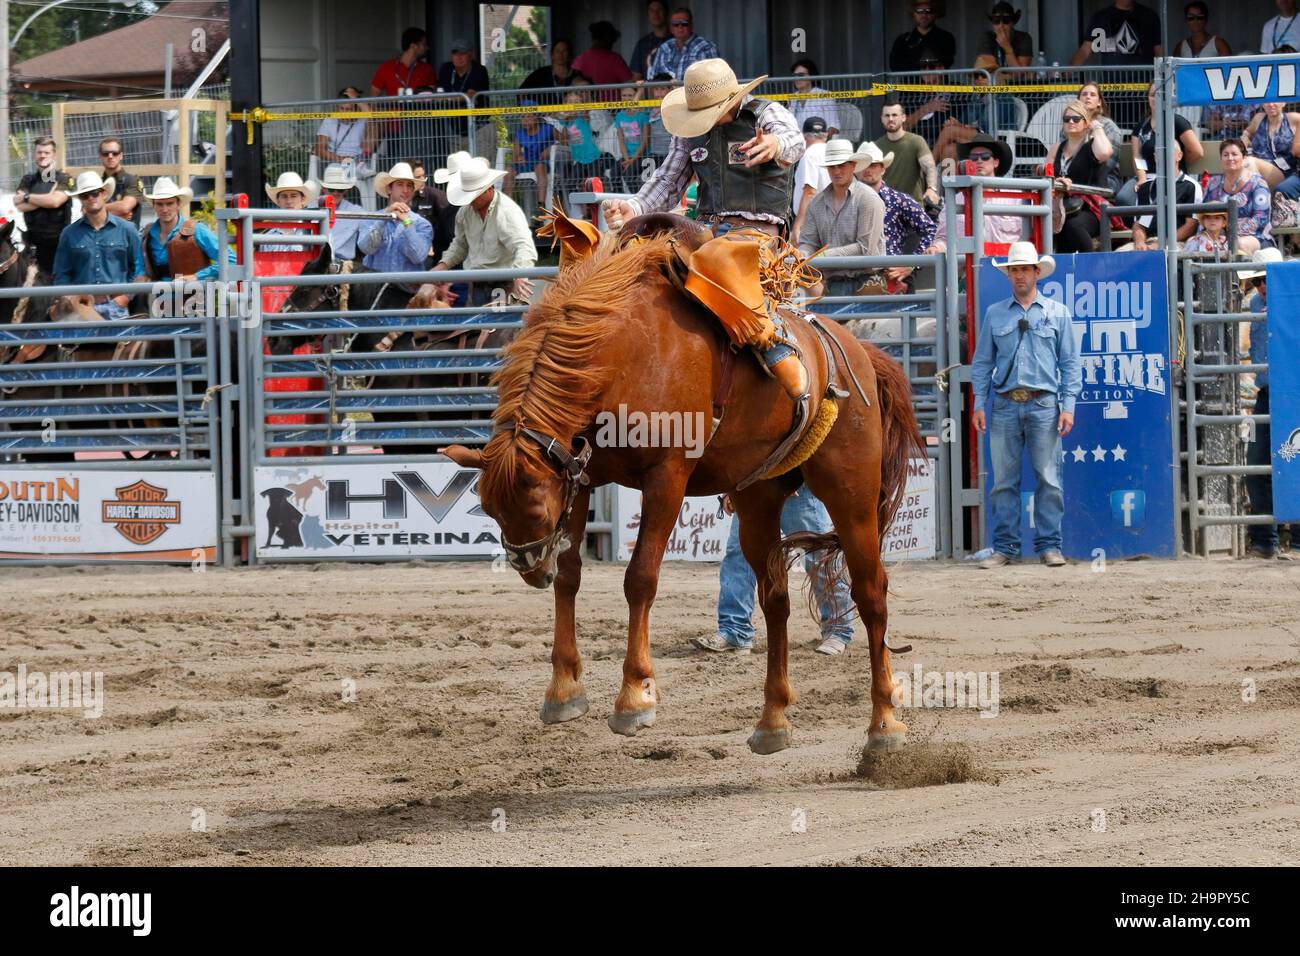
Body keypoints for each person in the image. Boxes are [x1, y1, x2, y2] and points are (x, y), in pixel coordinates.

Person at [600, 58, 810, 398]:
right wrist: (634, 207)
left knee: (718, 260)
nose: (708, 120)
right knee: (645, 257)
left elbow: (794, 140)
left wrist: (775, 145)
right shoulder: (691, 132)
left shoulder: (765, 114)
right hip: (707, 228)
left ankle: (774, 341)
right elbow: (669, 179)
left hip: (756, 233)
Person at [972, 242, 1081, 569]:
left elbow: (1071, 363)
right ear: (1010, 274)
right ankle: (1006, 547)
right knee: (1004, 480)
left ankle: (1049, 545)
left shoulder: (1057, 313)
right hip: (1005, 402)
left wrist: (1068, 405)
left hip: (1044, 403)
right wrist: (980, 402)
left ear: (1037, 273)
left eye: (1025, 269)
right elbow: (982, 363)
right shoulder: (995, 313)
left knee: (1048, 478)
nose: (1020, 275)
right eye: (1015, 269)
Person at [694, 487, 856, 656]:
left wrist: (791, 478)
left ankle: (838, 631)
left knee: (819, 558)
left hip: (795, 489)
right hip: (751, 488)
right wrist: (730, 489)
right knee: (739, 556)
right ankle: (734, 630)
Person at [1241, 249, 1300, 558]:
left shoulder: (1292, 299)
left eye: (1267, 279)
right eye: (1259, 280)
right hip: (1268, 392)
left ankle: (1288, 539)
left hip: (1293, 390)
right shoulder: (1254, 304)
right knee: (1256, 464)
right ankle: (1264, 539)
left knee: (1293, 459)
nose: (1263, 286)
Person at [428, 157, 537, 308]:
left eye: (474, 194)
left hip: (503, 283)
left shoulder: (506, 211)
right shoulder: (465, 213)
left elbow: (524, 246)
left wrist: (519, 274)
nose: (470, 200)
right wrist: (443, 265)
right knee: (478, 328)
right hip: (477, 283)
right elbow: (460, 244)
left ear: (488, 189)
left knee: (500, 329)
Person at [796, 140, 885, 297]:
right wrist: (802, 254)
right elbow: (808, 242)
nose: (836, 171)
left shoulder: (868, 198)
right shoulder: (816, 203)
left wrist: (822, 256)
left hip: (868, 283)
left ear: (853, 165)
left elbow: (865, 249)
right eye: (832, 166)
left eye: (841, 165)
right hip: (833, 283)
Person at [52, 171, 147, 320]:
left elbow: (138, 268)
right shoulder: (68, 234)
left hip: (116, 305)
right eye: (85, 195)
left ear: (103, 194)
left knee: (123, 343)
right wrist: (72, 299)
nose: (90, 198)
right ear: (80, 199)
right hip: (81, 307)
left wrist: (125, 297)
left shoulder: (127, 229)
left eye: (94, 193)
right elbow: (61, 274)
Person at [859, 141, 936, 290]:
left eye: (873, 165)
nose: (867, 170)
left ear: (883, 169)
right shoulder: (848, 201)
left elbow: (931, 230)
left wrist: (911, 265)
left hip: (892, 278)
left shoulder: (899, 200)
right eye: (863, 165)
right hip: (856, 277)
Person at [928, 134, 1024, 253]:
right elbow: (944, 239)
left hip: (1009, 268)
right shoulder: (955, 200)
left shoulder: (1017, 198)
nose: (979, 161)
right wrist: (936, 248)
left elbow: (1040, 229)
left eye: (985, 156)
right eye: (973, 158)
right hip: (969, 268)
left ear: (996, 162)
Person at [1119, 81, 1205, 209]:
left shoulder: (1178, 122)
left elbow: (1197, 151)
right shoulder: (1141, 127)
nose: (1156, 99)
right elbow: (1137, 158)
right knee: (1123, 199)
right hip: (1147, 177)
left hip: (1172, 176)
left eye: (1160, 95)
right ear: (1148, 98)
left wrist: (1178, 162)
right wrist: (1141, 178)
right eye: (1153, 95)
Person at [1049, 98, 1114, 253]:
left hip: (1092, 208)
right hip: (1063, 207)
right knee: (1057, 228)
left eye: (1076, 118)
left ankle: (1090, 267)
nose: (1071, 122)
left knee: (1073, 226)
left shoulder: (1093, 145)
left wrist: (1096, 126)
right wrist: (1058, 181)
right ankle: (1063, 272)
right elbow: (1047, 174)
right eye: (1067, 119)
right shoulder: (1056, 148)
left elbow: (1105, 153)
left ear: (1086, 123)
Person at [140, 177, 231, 281]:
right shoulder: (147, 234)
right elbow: (139, 266)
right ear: (153, 205)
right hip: (160, 294)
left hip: (194, 294)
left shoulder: (197, 230)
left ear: (178, 204)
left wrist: (197, 276)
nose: (164, 209)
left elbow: (229, 259)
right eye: (159, 204)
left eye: (169, 203)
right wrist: (141, 276)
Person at [357, 162, 434, 276]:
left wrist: (407, 222)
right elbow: (366, 248)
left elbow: (418, 256)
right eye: (400, 184)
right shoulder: (371, 219)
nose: (405, 190)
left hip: (407, 290)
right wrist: (385, 217)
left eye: (409, 186)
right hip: (376, 289)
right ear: (389, 189)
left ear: (413, 191)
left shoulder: (422, 224)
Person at [13, 136, 74, 275]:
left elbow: (55, 202)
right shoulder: (27, 180)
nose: (42, 156)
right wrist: (46, 199)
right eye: (39, 152)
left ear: (54, 155)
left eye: (46, 153)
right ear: (34, 154)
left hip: (59, 243)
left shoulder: (64, 178)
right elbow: (19, 205)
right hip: (34, 244)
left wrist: (28, 197)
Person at [1127, 139, 1203, 249]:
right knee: (1121, 254)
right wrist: (1139, 242)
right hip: (1147, 241)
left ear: (1179, 156)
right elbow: (1139, 224)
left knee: (1162, 256)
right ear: (1155, 157)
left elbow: (1191, 225)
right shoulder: (1145, 187)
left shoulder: (1191, 186)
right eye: (1159, 153)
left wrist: (1162, 244)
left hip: (1176, 243)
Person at [1205, 138, 1274, 250]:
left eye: (1234, 154)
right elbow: (1203, 213)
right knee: (1194, 243)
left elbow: (1261, 218)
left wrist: (1230, 236)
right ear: (1221, 158)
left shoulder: (1258, 183)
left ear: (1244, 158)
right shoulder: (1212, 183)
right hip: (1218, 237)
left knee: (1238, 244)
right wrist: (1204, 236)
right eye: (1225, 155)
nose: (1230, 158)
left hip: (1255, 237)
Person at [875, 97, 939, 206]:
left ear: (903, 117)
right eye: (887, 115)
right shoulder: (876, 146)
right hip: (887, 208)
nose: (890, 119)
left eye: (894, 115)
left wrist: (931, 188)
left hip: (914, 208)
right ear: (881, 118)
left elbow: (929, 167)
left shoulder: (916, 141)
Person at [1071, 0, 1162, 65]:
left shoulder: (1149, 16)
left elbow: (1158, 50)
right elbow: (1086, 49)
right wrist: (1069, 71)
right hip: (1112, 85)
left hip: (1144, 84)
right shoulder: (1101, 18)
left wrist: (1161, 78)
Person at [1243, 102, 1300, 197]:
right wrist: (1244, 139)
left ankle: (1246, 203)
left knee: (1250, 162)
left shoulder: (1294, 118)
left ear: (1284, 103)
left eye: (1275, 101)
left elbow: (1296, 150)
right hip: (1258, 168)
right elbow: (1248, 132)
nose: (1271, 104)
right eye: (1267, 101)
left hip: (1284, 172)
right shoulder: (1258, 118)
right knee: (1239, 162)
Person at [506, 104, 556, 213]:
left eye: (528, 117)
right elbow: (515, 154)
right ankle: (507, 206)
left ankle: (541, 205)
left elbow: (562, 141)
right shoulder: (519, 134)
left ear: (536, 118)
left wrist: (550, 149)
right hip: (527, 161)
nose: (525, 120)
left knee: (539, 167)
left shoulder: (548, 128)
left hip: (543, 161)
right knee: (508, 171)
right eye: (523, 117)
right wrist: (519, 157)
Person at [647, 7, 719, 80]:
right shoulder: (664, 48)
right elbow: (652, 81)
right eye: (676, 24)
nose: (680, 27)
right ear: (671, 28)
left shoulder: (706, 48)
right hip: (668, 92)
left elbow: (714, 82)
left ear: (691, 26)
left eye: (684, 23)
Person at [408, 160, 458, 263]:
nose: (422, 180)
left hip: (432, 252)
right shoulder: (403, 198)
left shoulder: (436, 196)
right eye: (417, 177)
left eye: (423, 176)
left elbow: (447, 226)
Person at [316, 163, 367, 264]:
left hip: (343, 264)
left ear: (346, 191)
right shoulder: (312, 208)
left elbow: (373, 225)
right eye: (332, 189)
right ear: (324, 189)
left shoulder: (355, 211)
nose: (335, 193)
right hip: (316, 263)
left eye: (340, 189)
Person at [315, 87, 375, 169]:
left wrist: (356, 99)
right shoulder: (329, 120)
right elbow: (319, 149)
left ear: (355, 109)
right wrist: (340, 159)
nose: (344, 112)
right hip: (335, 161)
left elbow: (371, 115)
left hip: (358, 162)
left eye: (348, 109)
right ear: (337, 107)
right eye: (341, 108)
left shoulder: (362, 120)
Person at [791, 116, 830, 243]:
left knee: (811, 260)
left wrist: (798, 226)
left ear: (804, 136)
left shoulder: (810, 154)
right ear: (826, 135)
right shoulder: (832, 152)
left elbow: (809, 191)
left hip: (815, 222)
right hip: (833, 217)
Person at [890, 0, 957, 72]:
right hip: (909, 83)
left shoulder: (946, 38)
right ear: (913, 13)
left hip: (938, 83)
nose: (924, 15)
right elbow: (895, 66)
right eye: (919, 11)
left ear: (936, 14)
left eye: (929, 11)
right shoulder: (902, 40)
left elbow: (946, 62)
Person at [262, 171, 320, 253]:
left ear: (302, 200)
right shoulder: (268, 236)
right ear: (278, 201)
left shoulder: (315, 233)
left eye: (293, 196)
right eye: (284, 196)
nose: (289, 201)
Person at [573, 20, 632, 97]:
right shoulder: (615, 59)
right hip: (612, 107)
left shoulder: (580, 59)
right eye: (611, 39)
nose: (612, 43)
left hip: (587, 106)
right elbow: (630, 83)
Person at [370, 27, 435, 97]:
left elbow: (432, 96)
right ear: (413, 46)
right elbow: (374, 94)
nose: (427, 48)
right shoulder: (387, 67)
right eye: (424, 44)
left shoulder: (427, 69)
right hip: (393, 108)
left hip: (419, 108)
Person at [612, 85, 652, 192]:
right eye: (624, 95)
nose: (627, 98)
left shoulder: (643, 115)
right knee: (614, 174)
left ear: (636, 96)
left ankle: (637, 201)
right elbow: (621, 140)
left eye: (630, 95)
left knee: (629, 176)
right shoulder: (619, 116)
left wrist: (633, 159)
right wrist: (626, 159)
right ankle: (619, 200)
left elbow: (645, 141)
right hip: (627, 157)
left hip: (641, 156)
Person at [97, 138, 144, 228]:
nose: (110, 156)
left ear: (121, 155)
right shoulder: (97, 183)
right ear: (100, 156)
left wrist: (96, 209)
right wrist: (117, 211)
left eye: (115, 153)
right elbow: (85, 211)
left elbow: (125, 207)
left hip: (127, 237)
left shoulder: (133, 180)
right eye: (105, 153)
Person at [788, 60, 841, 136]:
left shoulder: (825, 96)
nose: (797, 78)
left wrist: (819, 141)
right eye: (794, 76)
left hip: (818, 142)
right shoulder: (792, 99)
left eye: (801, 75)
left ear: (812, 76)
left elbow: (833, 127)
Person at [976, 2, 1033, 68]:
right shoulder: (987, 38)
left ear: (1013, 23)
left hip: (1012, 78)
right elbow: (988, 69)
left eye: (1006, 21)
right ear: (993, 24)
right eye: (996, 21)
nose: (1001, 26)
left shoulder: (1023, 38)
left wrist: (1007, 48)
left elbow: (1020, 74)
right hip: (995, 78)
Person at [1182, 207, 1259, 256]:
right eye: (1208, 217)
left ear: (1224, 223)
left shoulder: (1226, 241)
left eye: (1217, 218)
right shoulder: (1195, 241)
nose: (1212, 220)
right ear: (1203, 221)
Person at [630, 1, 671, 80]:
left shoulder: (676, 41)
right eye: (652, 10)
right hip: (649, 91)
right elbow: (636, 76)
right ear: (648, 15)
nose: (655, 14)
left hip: (673, 91)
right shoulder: (642, 44)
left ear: (666, 12)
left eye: (659, 9)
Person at [645, 73, 676, 169]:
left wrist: (675, 86)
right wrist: (641, 88)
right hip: (655, 152)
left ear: (670, 90)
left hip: (671, 152)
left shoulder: (674, 105)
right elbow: (632, 107)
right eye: (656, 89)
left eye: (662, 89)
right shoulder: (651, 107)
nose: (659, 93)